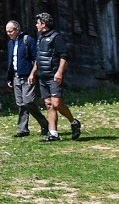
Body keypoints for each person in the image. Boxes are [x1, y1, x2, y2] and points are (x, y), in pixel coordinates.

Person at [33, 12, 81, 141]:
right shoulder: (40, 38)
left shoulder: (56, 37)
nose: (36, 25)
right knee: (48, 104)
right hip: (43, 76)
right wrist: (33, 73)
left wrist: (59, 72)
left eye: (37, 23)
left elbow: (64, 56)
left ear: (43, 24)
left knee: (56, 103)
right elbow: (39, 58)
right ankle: (53, 134)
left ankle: (73, 122)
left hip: (53, 76)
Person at [5, 20, 40, 137]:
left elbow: (36, 58)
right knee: (21, 104)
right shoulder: (10, 43)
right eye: (7, 32)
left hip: (27, 76)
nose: (9, 33)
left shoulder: (27, 40)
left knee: (28, 101)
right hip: (16, 77)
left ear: (17, 30)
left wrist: (32, 74)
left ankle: (44, 123)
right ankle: (22, 129)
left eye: (10, 31)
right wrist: (9, 78)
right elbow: (11, 62)